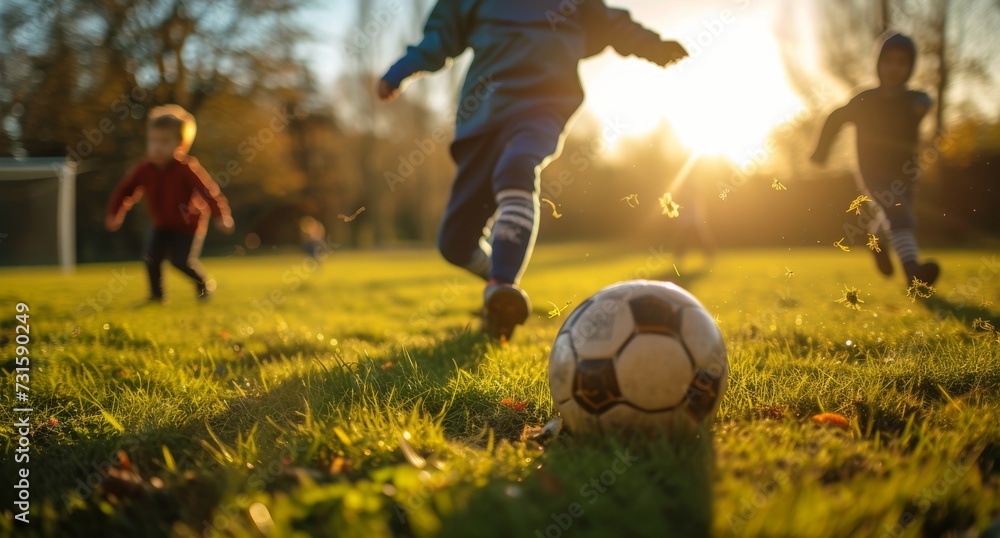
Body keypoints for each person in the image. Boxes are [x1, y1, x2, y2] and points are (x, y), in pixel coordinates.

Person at [378, 0, 687, 340]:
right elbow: (439, 39)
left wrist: (654, 46)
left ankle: (503, 282)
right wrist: (398, 72)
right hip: (483, 114)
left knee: (517, 166)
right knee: (455, 245)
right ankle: (498, 285)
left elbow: (611, 22)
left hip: (546, 103)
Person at [810, 33, 939, 286]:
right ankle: (913, 272)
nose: (894, 68)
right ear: (878, 64)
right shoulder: (865, 100)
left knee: (893, 213)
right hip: (873, 172)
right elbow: (836, 118)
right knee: (898, 211)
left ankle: (876, 242)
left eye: (902, 62)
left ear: (910, 67)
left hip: (906, 173)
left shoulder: (913, 99)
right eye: (888, 61)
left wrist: (922, 105)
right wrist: (821, 152)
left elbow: (925, 98)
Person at [105, 107, 234, 302]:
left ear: (180, 145)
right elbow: (125, 190)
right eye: (153, 141)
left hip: (188, 226)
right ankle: (156, 297)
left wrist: (221, 216)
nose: (157, 147)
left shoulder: (185, 169)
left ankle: (202, 284)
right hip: (162, 226)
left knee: (180, 261)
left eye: (164, 142)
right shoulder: (144, 169)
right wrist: (115, 213)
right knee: (151, 257)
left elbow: (207, 192)